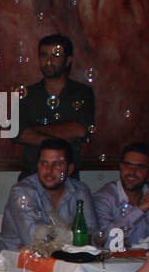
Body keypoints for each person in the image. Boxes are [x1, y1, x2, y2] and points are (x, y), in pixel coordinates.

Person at [0, 137, 98, 257]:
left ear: (69, 169)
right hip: (12, 266)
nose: (49, 170)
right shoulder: (22, 191)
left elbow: (92, 238)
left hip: (61, 264)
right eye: (44, 163)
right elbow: (33, 240)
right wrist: (73, 238)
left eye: (57, 165)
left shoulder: (81, 191)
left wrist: (56, 240)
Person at [14, 34, 95, 180]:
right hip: (31, 175)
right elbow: (17, 132)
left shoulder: (82, 93)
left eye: (56, 55)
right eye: (44, 55)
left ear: (68, 60)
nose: (49, 61)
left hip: (68, 177)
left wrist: (35, 129)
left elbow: (80, 129)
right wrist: (61, 140)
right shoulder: (27, 94)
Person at [92, 142, 149, 248]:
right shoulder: (103, 198)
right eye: (127, 165)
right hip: (112, 263)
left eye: (140, 167)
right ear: (121, 166)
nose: (132, 172)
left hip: (145, 261)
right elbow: (107, 241)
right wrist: (140, 210)